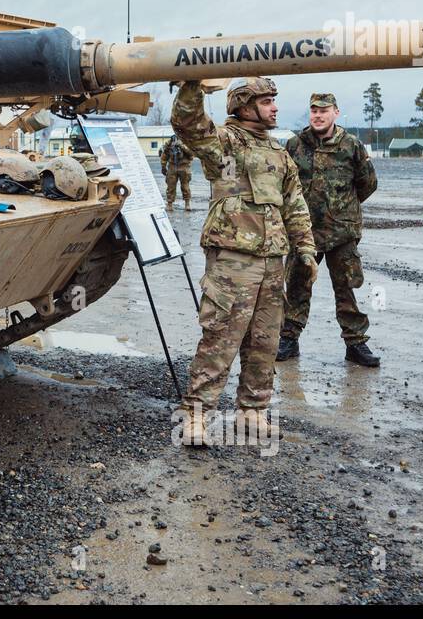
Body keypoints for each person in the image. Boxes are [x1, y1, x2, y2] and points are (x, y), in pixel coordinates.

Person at [170, 77, 316, 444]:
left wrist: (306, 249)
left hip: (272, 261)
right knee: (220, 339)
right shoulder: (225, 144)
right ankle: (196, 417)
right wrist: (193, 87)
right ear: (244, 105)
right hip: (233, 258)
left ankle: (252, 412)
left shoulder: (279, 153)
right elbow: (189, 125)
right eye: (267, 101)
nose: (275, 107)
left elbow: (295, 205)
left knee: (264, 342)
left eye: (273, 101)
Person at [277, 94, 381, 366]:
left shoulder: (351, 146)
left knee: (346, 288)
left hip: (341, 234)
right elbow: (284, 185)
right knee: (298, 285)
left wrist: (342, 209)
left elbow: (367, 183)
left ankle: (355, 343)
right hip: (304, 233)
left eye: (324, 111)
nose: (318, 116)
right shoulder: (295, 145)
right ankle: (289, 338)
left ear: (336, 112)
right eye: (313, 111)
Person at [160, 135, 195, 210]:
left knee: (185, 186)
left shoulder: (187, 140)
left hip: (184, 166)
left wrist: (182, 146)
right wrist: (163, 166)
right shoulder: (170, 142)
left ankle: (187, 203)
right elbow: (164, 154)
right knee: (170, 186)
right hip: (172, 166)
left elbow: (191, 154)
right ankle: (169, 204)